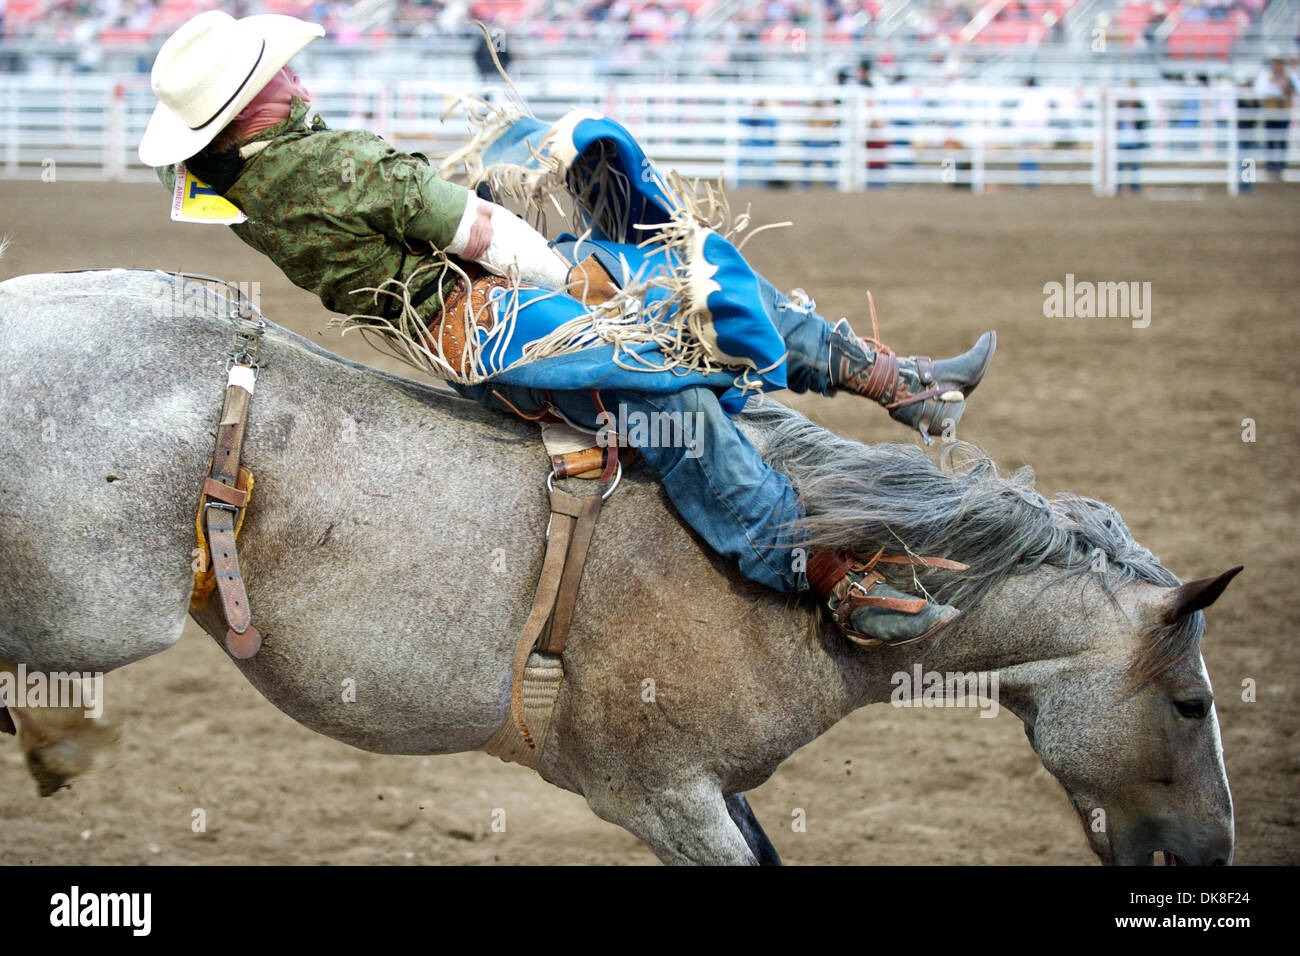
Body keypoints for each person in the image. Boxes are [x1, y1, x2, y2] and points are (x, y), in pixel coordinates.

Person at [138, 12, 997, 647]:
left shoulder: (243, 194)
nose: (301, 83)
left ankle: (902, 384)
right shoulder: (330, 163)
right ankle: (825, 571)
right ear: (252, 104)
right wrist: (582, 285)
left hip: (461, 325)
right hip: (502, 314)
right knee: (668, 384)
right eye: (283, 78)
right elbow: (482, 237)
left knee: (685, 272)